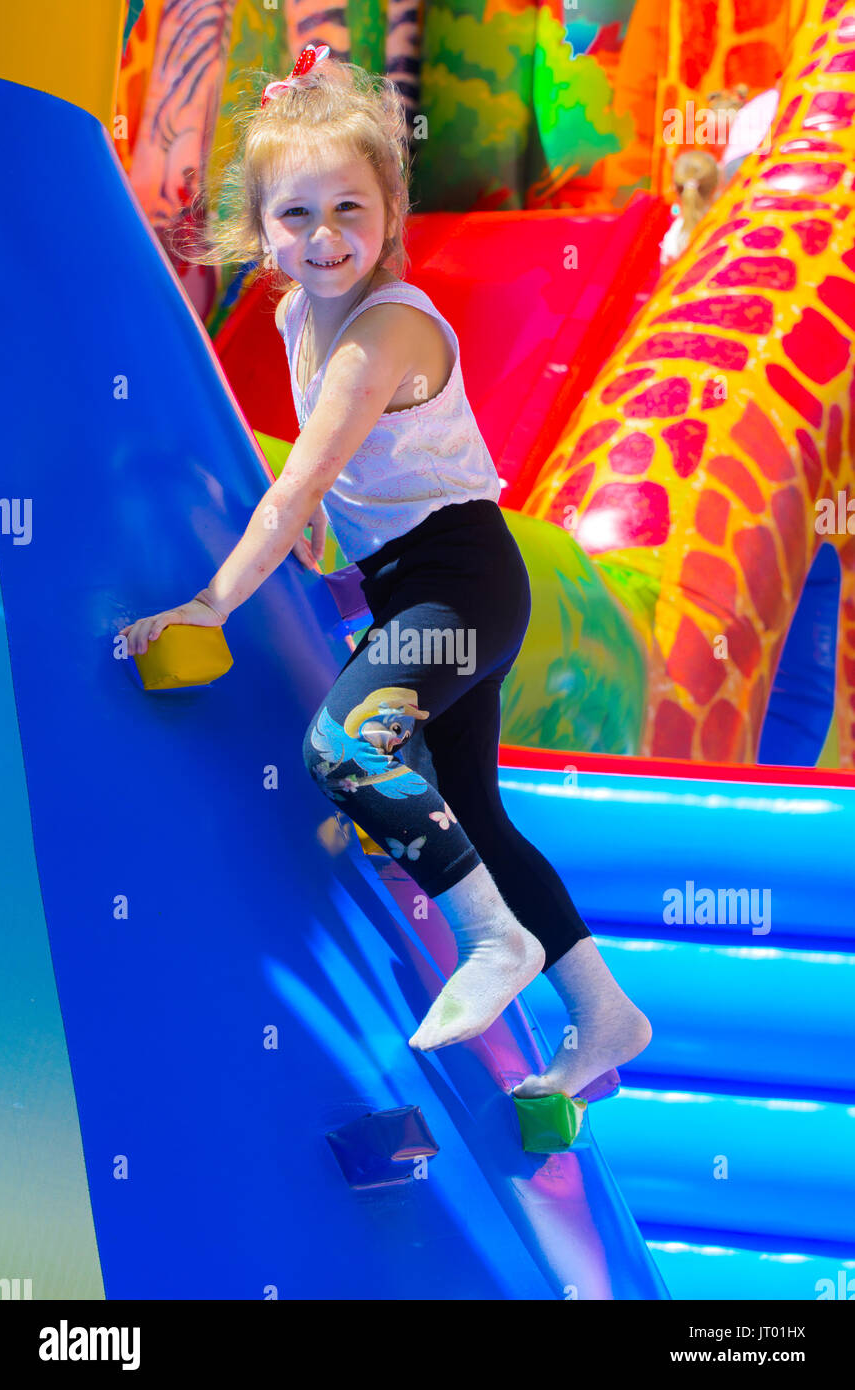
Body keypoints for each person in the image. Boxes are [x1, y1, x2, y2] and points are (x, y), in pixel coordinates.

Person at [120, 44, 652, 1099]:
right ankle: (603, 1012)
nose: (324, 238)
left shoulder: (384, 330)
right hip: (412, 582)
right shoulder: (288, 316)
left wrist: (213, 601)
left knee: (340, 749)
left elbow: (300, 486)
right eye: (296, 215)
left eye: (348, 210)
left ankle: (494, 944)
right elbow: (350, 506)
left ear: (390, 207)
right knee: (474, 809)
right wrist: (327, 585)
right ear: (261, 226)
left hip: (464, 578)